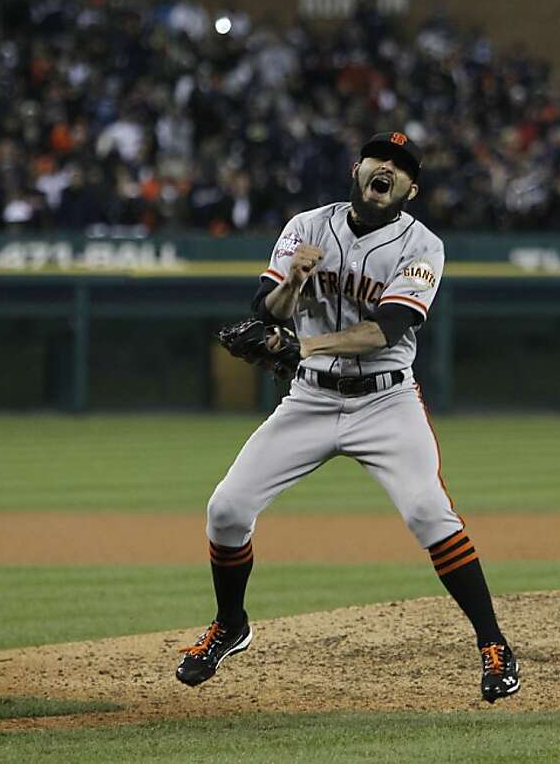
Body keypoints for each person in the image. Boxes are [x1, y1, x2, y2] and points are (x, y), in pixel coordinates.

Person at [175, 132, 520, 704]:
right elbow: (265, 311)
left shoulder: (422, 245)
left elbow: (384, 329)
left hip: (386, 402)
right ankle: (230, 625)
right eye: (379, 159)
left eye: (402, 167)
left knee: (429, 512)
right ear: (357, 169)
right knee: (227, 510)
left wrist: (301, 347)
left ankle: (494, 644)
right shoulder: (307, 226)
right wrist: (293, 283)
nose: (387, 168)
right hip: (310, 399)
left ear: (411, 188)